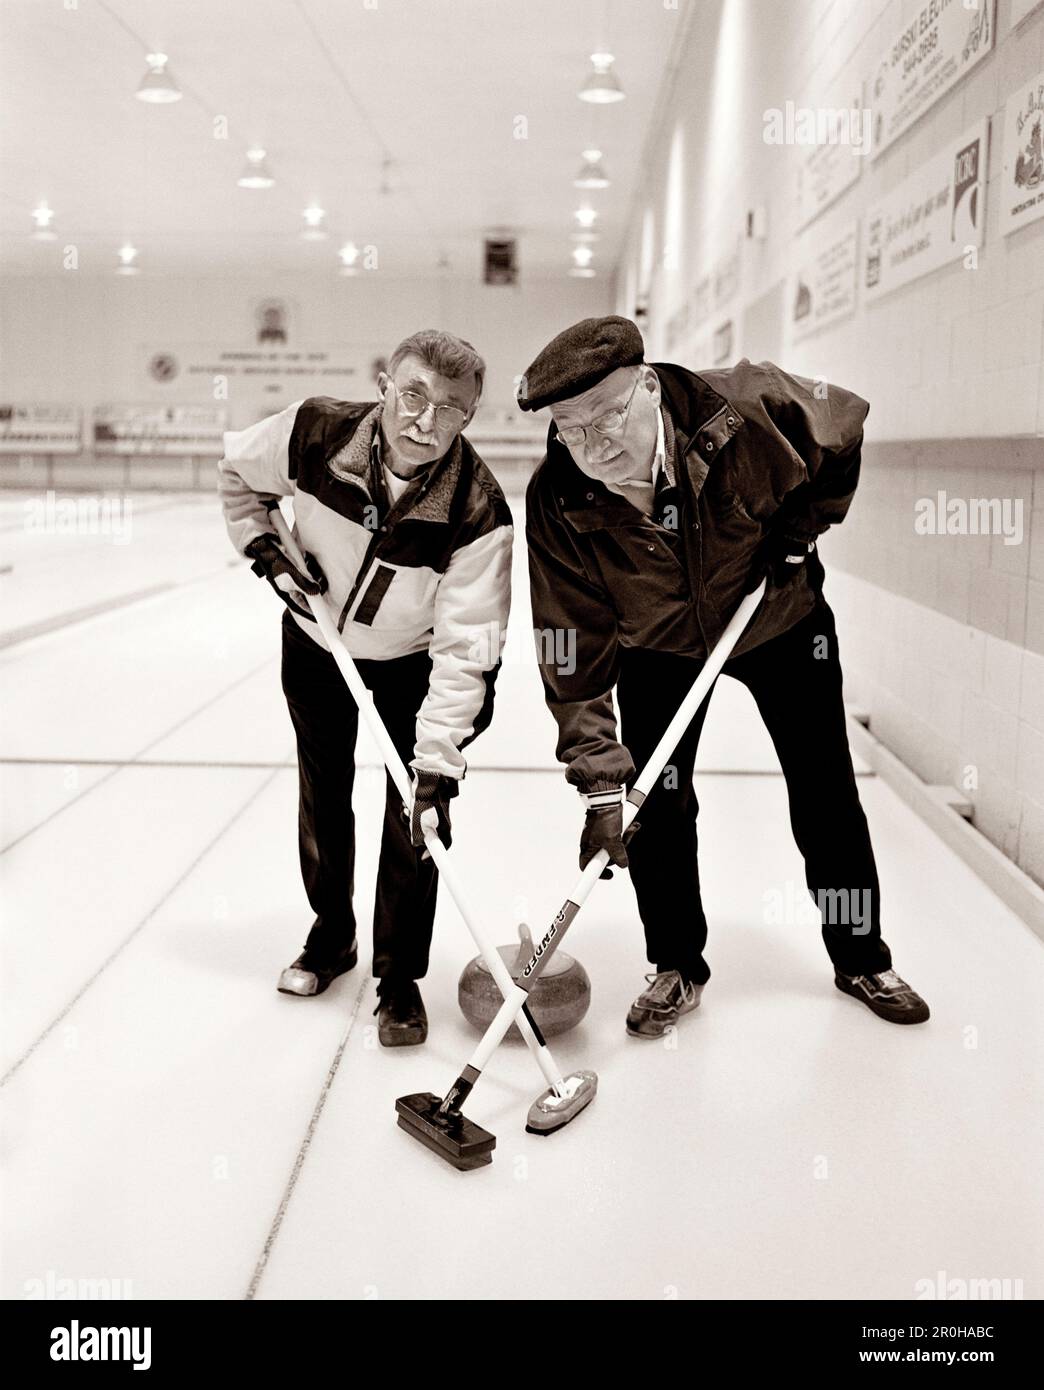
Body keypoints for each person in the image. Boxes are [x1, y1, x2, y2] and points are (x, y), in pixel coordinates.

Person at [519, 315, 929, 1038]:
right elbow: (569, 645)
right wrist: (599, 778)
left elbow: (844, 428)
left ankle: (862, 955)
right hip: (660, 648)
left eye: (608, 417)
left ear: (647, 386)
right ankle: (675, 964)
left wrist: (802, 528)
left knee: (825, 788)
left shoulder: (744, 410)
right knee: (658, 806)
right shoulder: (559, 497)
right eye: (570, 429)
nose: (595, 445)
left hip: (779, 619)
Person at [218, 329, 512, 1044]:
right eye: (413, 394)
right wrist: (266, 551)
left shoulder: (477, 510)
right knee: (324, 790)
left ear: (470, 416)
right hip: (317, 643)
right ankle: (331, 935)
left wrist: (438, 763)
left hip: (412, 662)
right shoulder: (314, 431)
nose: (425, 420)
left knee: (416, 817)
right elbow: (239, 475)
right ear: (384, 383)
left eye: (450, 408)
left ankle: (400, 977)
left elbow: (468, 647)